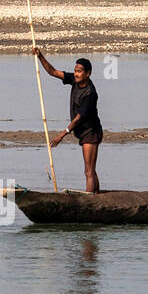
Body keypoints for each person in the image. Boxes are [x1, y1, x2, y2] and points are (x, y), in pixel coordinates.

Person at [33, 48, 104, 193]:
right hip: (84, 132)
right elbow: (53, 71)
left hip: (90, 132)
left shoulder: (90, 94)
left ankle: (90, 200)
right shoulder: (74, 80)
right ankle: (96, 196)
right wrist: (40, 56)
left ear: (88, 73)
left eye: (79, 71)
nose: (76, 74)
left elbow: (78, 119)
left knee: (89, 171)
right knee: (91, 169)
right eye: (75, 70)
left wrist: (62, 135)